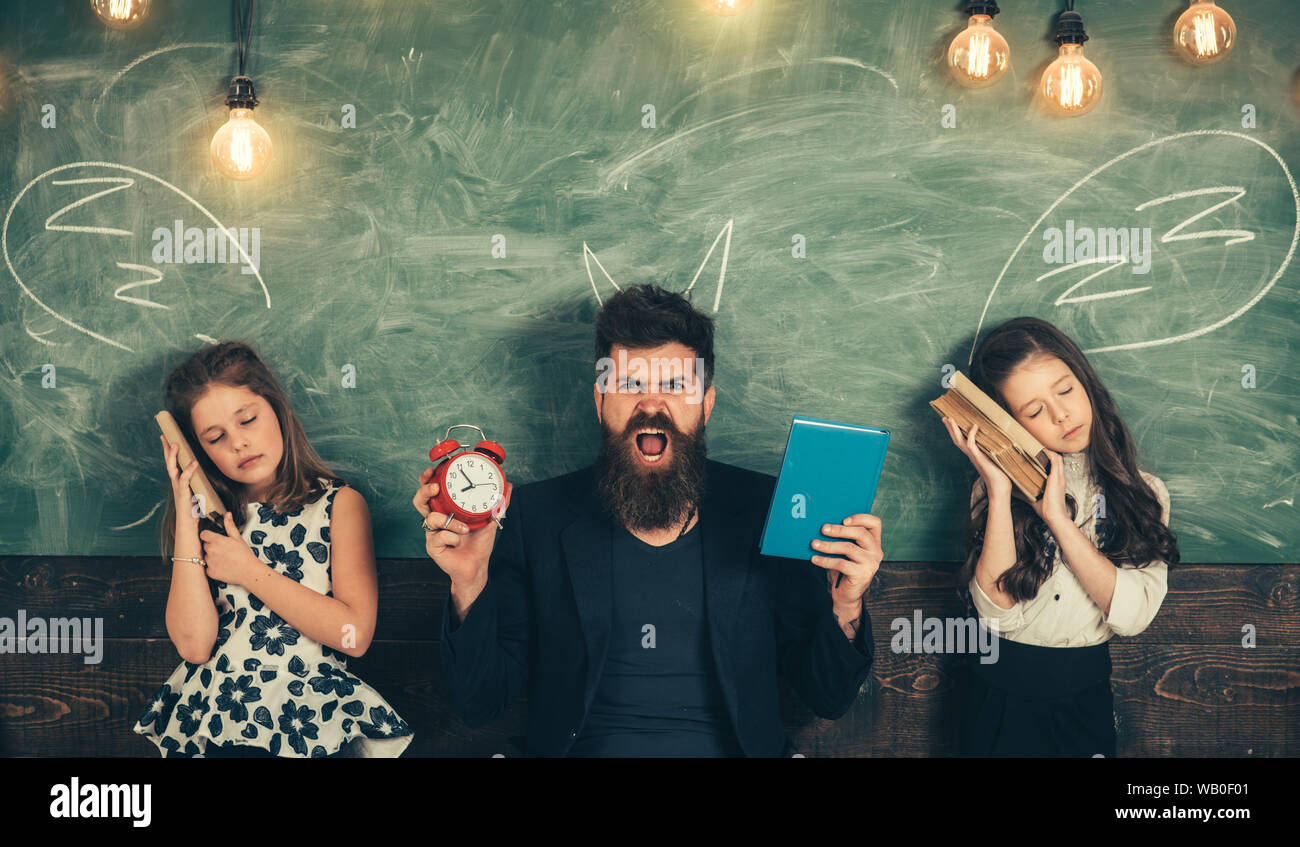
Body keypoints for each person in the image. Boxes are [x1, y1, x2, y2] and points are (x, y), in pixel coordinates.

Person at [414, 285, 880, 756]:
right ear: (600, 402)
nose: (651, 404)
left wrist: (846, 604)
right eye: (631, 384)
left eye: (676, 385)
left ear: (707, 405)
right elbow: (479, 704)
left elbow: (829, 698)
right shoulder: (534, 517)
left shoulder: (769, 511)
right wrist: (469, 584)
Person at [133, 341, 412, 757]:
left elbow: (354, 636)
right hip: (221, 726)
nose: (239, 443)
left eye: (247, 420)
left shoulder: (338, 506)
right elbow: (194, 646)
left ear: (276, 408)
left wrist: (249, 571)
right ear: (198, 450)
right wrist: (186, 511)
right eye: (215, 437)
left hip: (308, 723)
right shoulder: (209, 522)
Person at [941, 317, 1178, 756]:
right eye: (1033, 412)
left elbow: (1132, 614)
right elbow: (996, 614)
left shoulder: (1145, 494)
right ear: (1009, 423)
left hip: (1084, 697)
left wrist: (1058, 520)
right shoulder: (992, 492)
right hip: (996, 694)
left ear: (1085, 382)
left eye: (1065, 390)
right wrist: (997, 487)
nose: (1060, 415)